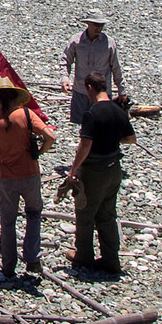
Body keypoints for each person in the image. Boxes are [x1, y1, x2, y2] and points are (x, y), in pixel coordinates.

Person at [0, 76, 57, 279]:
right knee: (34, 214)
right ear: (15, 97)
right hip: (30, 173)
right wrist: (41, 151)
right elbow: (51, 136)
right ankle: (32, 259)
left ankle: (8, 266)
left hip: (6, 176)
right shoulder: (26, 114)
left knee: (8, 221)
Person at [66, 73, 136, 277]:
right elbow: (131, 138)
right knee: (107, 215)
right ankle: (111, 259)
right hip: (114, 169)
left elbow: (85, 145)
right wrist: (112, 138)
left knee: (85, 213)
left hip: (95, 171)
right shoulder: (119, 111)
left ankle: (84, 255)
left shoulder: (92, 113)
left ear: (89, 87)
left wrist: (73, 169)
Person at [64, 10, 125, 124]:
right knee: (80, 125)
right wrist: (65, 79)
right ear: (88, 24)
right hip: (81, 91)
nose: (99, 28)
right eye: (96, 25)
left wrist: (121, 90)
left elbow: (116, 67)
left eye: (102, 25)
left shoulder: (109, 43)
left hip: (102, 94)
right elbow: (66, 60)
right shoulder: (76, 41)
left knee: (102, 125)